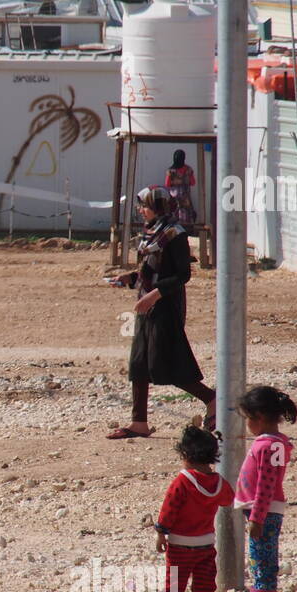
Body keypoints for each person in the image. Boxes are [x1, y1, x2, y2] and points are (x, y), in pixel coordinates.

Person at [107, 186, 216, 439]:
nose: (141, 210)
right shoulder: (151, 233)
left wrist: (154, 294)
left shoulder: (174, 234)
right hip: (147, 305)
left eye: (144, 205)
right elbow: (151, 271)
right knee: (139, 364)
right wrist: (130, 278)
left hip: (165, 307)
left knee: (165, 364)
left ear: (158, 207)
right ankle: (139, 423)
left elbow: (181, 275)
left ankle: (212, 400)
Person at [154, 426, 235, 592]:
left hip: (180, 546)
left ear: (186, 454)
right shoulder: (219, 483)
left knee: (173, 588)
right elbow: (229, 499)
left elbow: (169, 510)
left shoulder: (182, 481)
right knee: (204, 588)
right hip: (206, 546)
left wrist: (161, 533)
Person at [231, 386, 297, 592]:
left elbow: (268, 485)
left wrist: (257, 518)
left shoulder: (270, 446)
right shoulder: (275, 443)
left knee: (263, 562)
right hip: (263, 511)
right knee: (258, 560)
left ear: (258, 417)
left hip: (264, 513)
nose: (247, 424)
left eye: (248, 418)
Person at [164, 149, 198, 233]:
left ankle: (176, 233)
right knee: (187, 217)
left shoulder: (170, 171)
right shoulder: (188, 170)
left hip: (174, 199)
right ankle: (187, 233)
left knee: (175, 217)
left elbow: (167, 184)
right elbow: (193, 183)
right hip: (186, 199)